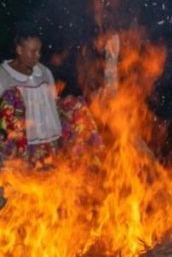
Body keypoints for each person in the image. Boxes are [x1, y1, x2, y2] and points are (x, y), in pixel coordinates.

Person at [0, 30, 100, 166]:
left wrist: (71, 105)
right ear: (19, 50)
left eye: (39, 51)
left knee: (75, 105)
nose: (38, 56)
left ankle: (84, 161)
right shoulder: (3, 75)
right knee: (10, 96)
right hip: (19, 139)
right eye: (33, 51)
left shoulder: (44, 72)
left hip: (47, 136)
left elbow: (53, 105)